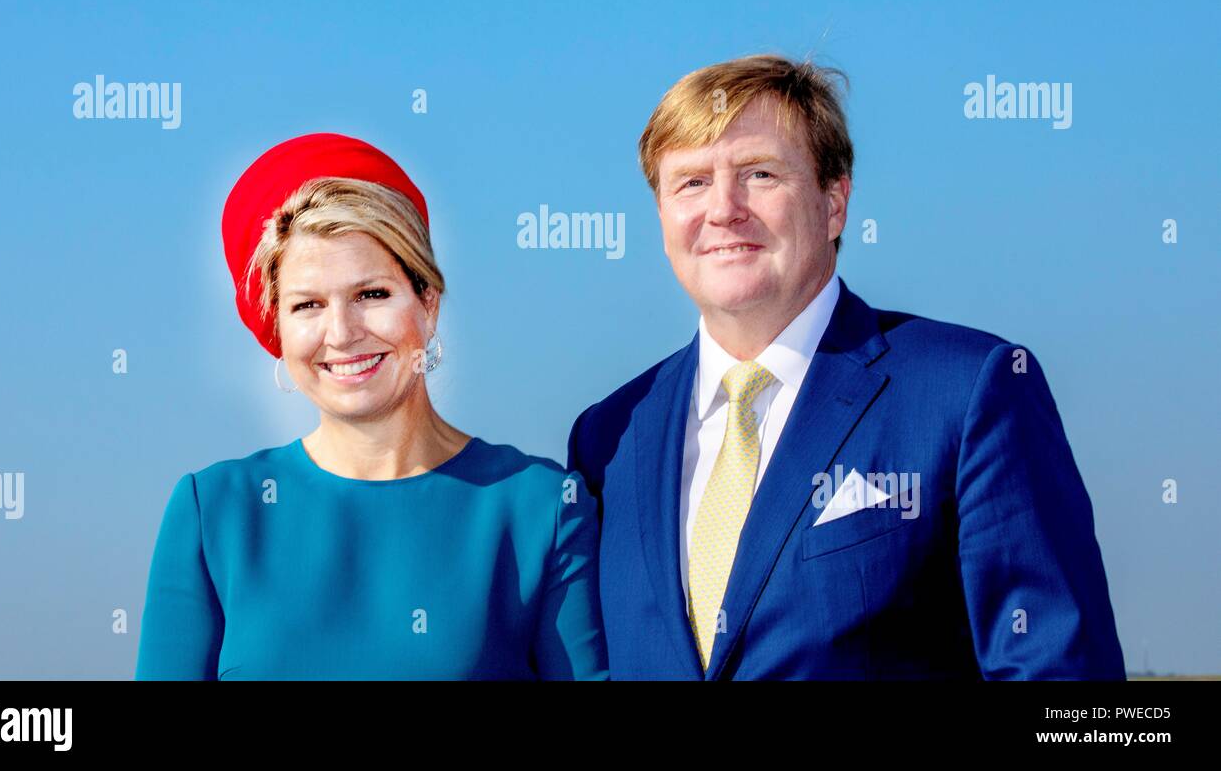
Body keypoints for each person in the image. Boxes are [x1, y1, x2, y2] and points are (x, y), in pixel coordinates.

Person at [566, 54, 1125, 679]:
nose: (723, 209)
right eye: (691, 182)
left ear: (834, 202)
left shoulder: (969, 392)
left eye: (760, 173)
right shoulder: (606, 440)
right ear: (662, 215)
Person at [137, 132, 607, 680]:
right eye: (308, 305)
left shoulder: (542, 508)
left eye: (371, 295)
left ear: (427, 303)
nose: (341, 334)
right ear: (278, 330)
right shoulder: (212, 512)